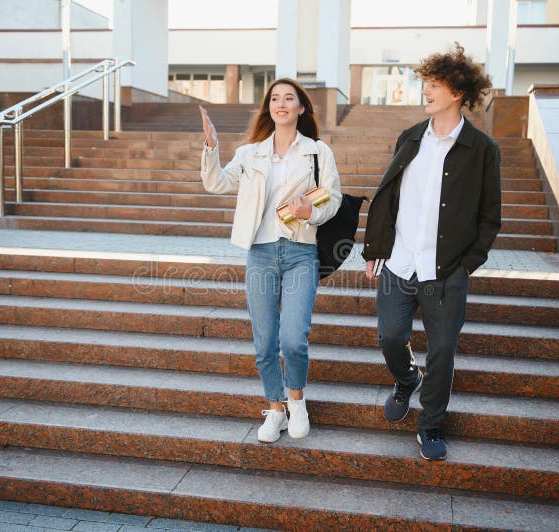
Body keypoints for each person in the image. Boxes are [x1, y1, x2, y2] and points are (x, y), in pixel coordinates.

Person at [363, 44, 501, 460]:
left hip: (446, 272)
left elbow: (489, 217)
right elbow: (388, 197)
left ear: (458, 91)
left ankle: (431, 426)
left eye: (435, 84)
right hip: (399, 262)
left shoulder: (481, 150)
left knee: (442, 351)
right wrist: (376, 247)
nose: (426, 90)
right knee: (390, 337)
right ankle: (407, 379)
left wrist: (466, 267)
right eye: (426, 82)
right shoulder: (410, 138)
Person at [199, 78, 342, 443]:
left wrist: (310, 210)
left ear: (301, 108)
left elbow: (333, 199)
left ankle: (297, 399)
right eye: (275, 98)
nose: (281, 103)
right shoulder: (251, 154)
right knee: (264, 342)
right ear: (268, 108)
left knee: (294, 338)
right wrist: (211, 146)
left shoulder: (317, 152)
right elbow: (217, 184)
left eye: (288, 98)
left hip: (300, 252)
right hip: (260, 252)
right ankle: (275, 408)